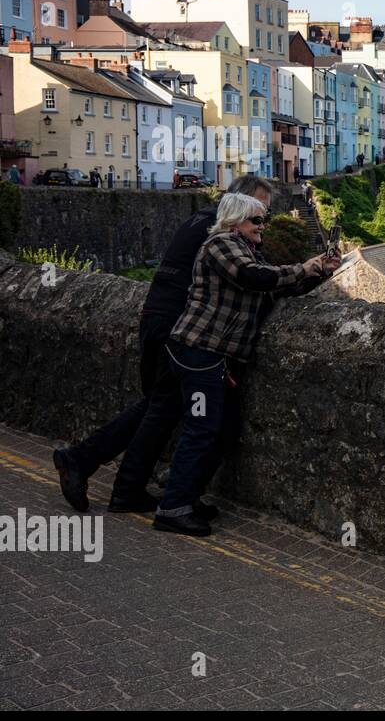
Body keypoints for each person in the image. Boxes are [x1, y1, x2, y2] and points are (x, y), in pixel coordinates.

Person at [54, 176, 277, 514]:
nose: (263, 220)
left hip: (164, 319)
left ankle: (101, 472)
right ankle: (111, 477)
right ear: (240, 202)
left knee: (160, 405)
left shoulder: (203, 220)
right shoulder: (220, 231)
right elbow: (252, 276)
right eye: (260, 211)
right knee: (163, 409)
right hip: (175, 325)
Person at [154, 192, 338, 536]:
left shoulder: (248, 250)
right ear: (235, 219)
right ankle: (172, 507)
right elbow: (252, 277)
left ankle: (188, 498)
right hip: (200, 350)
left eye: (263, 221)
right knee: (201, 429)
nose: (261, 227)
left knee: (220, 431)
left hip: (218, 356)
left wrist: (319, 273)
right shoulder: (220, 244)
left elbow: (275, 289)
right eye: (256, 220)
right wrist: (303, 266)